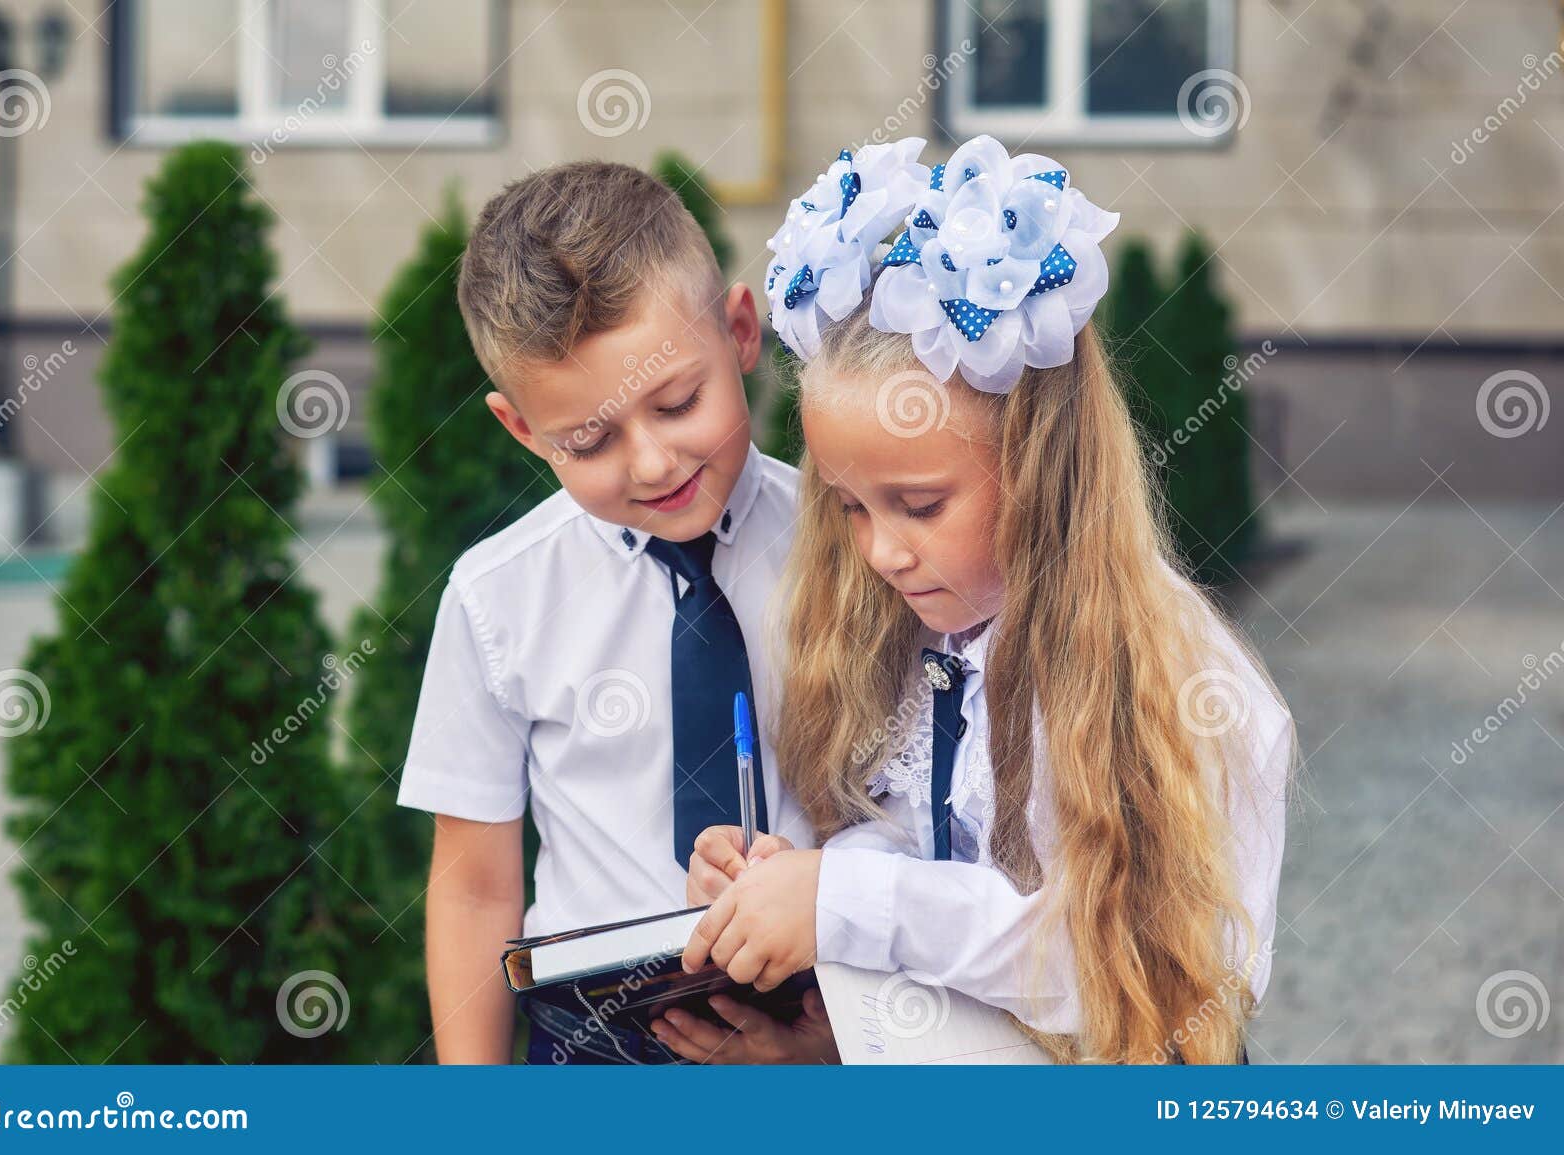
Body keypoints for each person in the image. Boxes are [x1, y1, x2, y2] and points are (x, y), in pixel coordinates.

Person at [664, 135, 1295, 1065]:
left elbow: (1126, 968)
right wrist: (806, 884)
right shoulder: (910, 632)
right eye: (847, 506)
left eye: (919, 504)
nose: (877, 550)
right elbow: (922, 850)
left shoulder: (1180, 680)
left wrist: (846, 906)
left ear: (1039, 470)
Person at [397, 160, 821, 1063]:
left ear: (741, 332)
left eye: (678, 404)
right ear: (523, 429)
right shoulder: (496, 596)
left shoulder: (854, 550)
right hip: (595, 1044)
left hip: (822, 1019)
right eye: (589, 439)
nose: (654, 463)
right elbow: (474, 885)